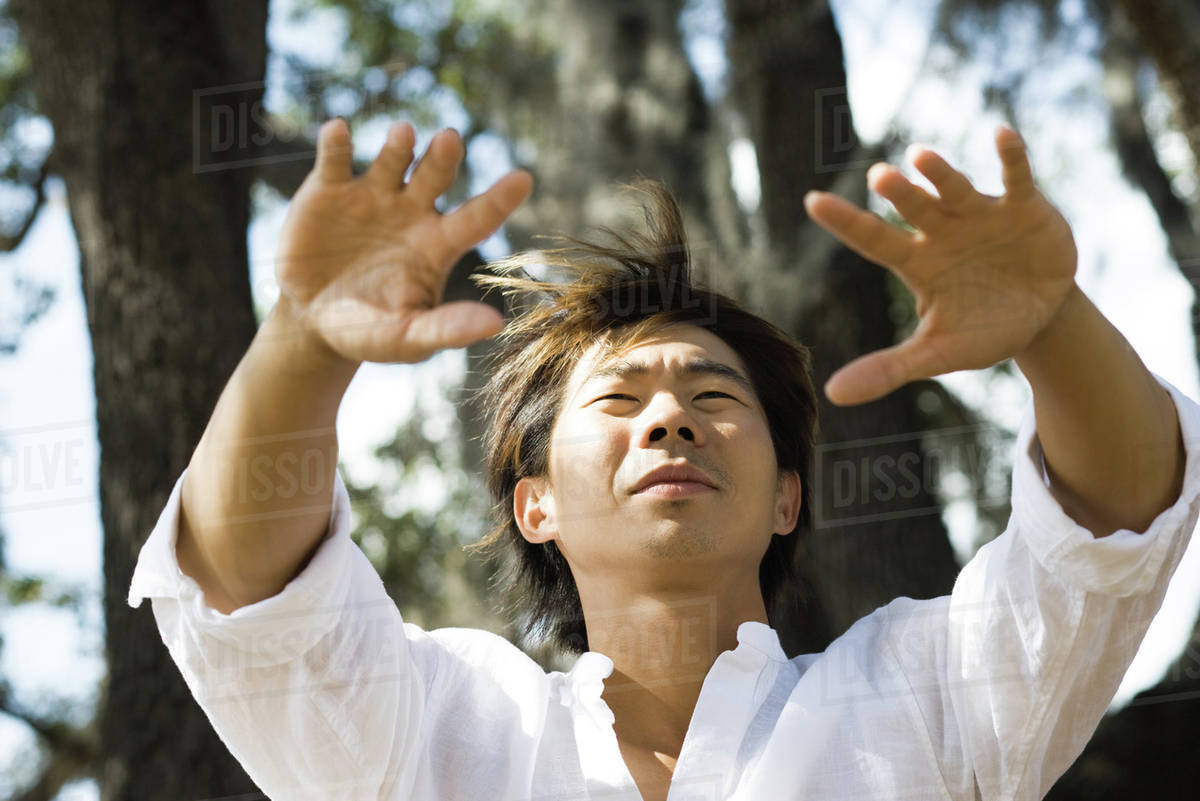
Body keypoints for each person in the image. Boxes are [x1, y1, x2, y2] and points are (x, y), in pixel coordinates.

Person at [128, 118, 1198, 801]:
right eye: (619, 400)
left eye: (714, 395)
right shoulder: (444, 725)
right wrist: (304, 340)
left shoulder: (918, 695)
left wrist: (1052, 327)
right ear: (534, 503)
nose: (670, 420)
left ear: (787, 498)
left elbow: (1111, 528)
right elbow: (250, 595)